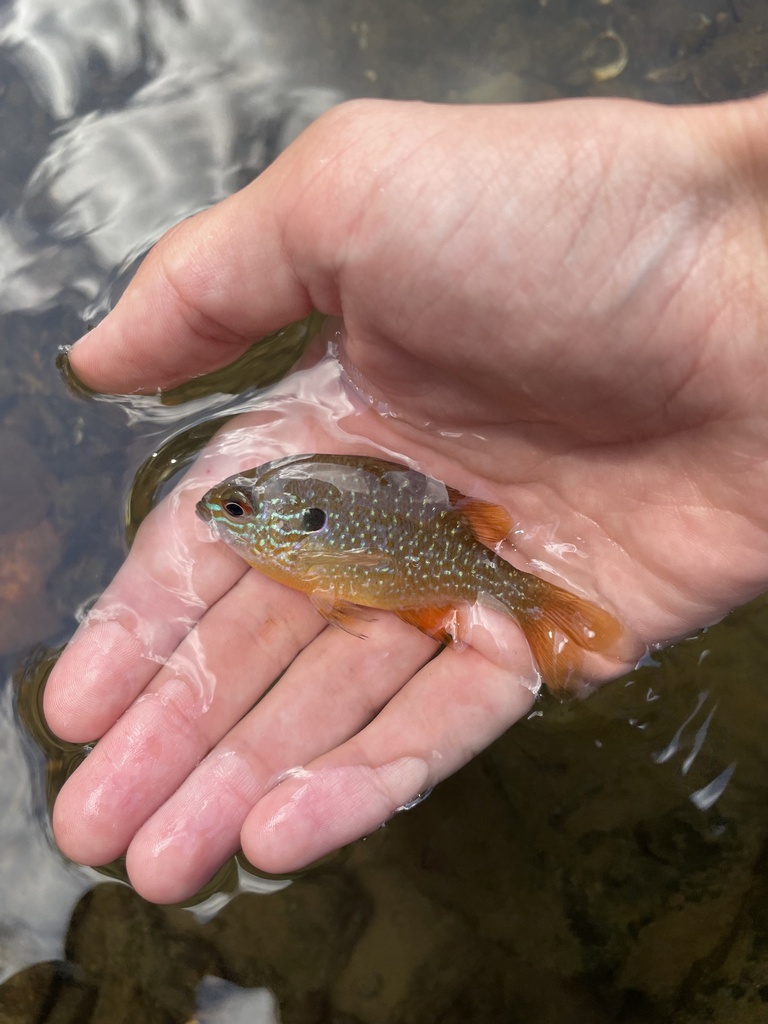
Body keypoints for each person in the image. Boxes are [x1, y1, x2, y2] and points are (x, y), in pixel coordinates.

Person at [44, 95, 768, 904]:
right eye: (237, 509)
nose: (224, 518)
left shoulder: (316, 530)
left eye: (241, 510)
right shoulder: (309, 529)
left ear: (289, 526)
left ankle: (544, 611)